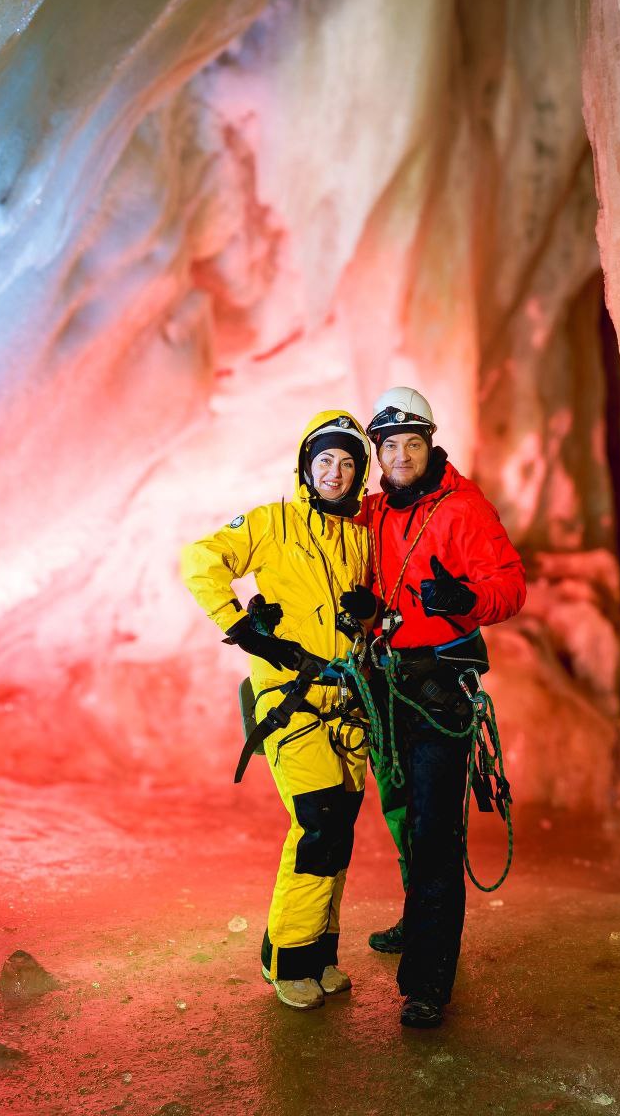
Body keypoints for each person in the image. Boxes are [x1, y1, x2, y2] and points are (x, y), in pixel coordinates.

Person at [341, 386, 526, 1028]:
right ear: (378, 453)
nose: (399, 456)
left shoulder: (462, 508)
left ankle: (427, 983)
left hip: (439, 691)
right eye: (388, 446)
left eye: (410, 445)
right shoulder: (375, 511)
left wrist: (463, 598)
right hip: (388, 685)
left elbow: (509, 585)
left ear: (429, 446)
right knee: (407, 818)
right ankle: (417, 921)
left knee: (436, 834)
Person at [181, 410, 371, 1012]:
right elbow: (199, 560)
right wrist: (248, 631)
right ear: (304, 465)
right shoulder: (271, 522)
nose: (334, 473)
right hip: (290, 701)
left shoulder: (363, 536)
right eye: (325, 460)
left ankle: (320, 954)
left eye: (347, 462)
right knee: (318, 824)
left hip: (349, 706)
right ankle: (287, 958)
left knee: (337, 830)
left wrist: (369, 612)